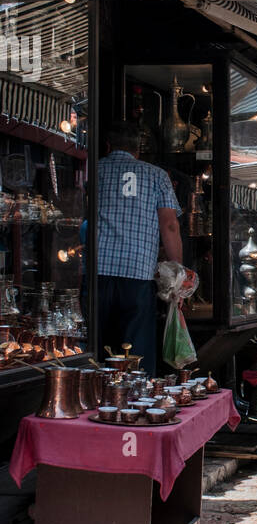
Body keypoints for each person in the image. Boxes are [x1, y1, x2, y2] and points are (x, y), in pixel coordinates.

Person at [96, 120, 184, 374]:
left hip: (98, 272)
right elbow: (169, 226)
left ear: (107, 146)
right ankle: (136, 406)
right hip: (138, 274)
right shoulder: (157, 175)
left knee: (97, 346)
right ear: (138, 150)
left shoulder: (96, 169)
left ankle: (98, 403)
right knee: (134, 352)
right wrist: (177, 273)